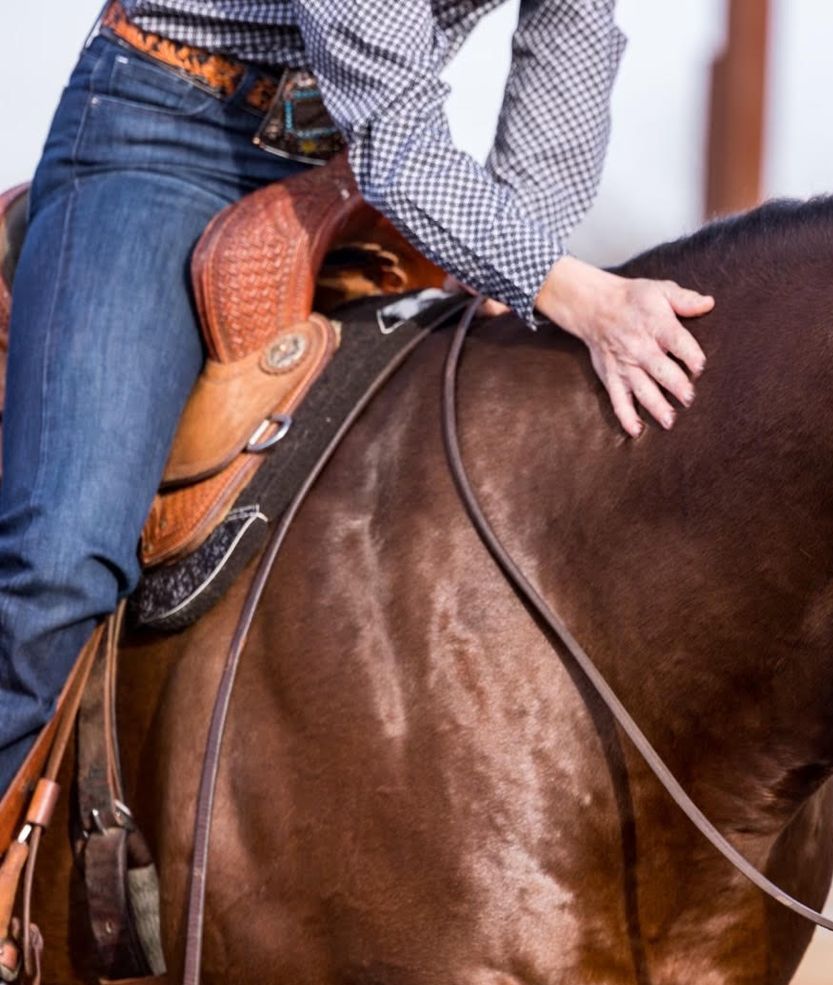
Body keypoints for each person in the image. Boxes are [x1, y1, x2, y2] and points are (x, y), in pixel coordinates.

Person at [0, 0, 712, 792]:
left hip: (334, 156)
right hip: (167, 127)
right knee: (62, 558)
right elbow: (401, 147)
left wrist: (521, 258)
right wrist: (578, 293)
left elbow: (569, 37)